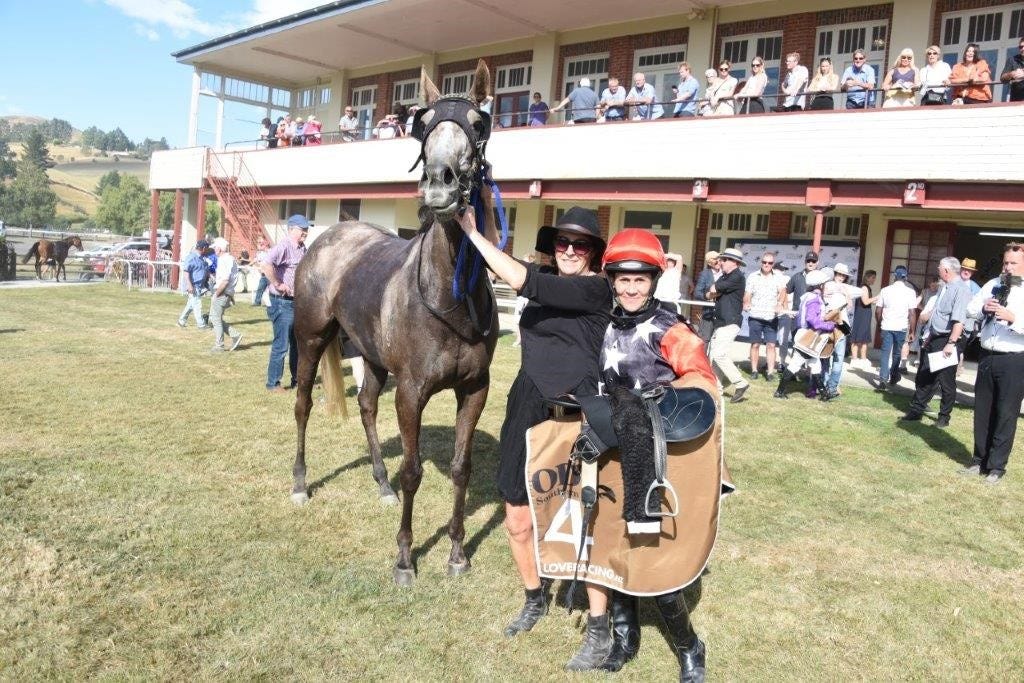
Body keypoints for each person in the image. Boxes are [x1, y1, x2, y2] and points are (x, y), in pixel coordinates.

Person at [572, 228, 724, 677]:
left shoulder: (670, 329)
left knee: (653, 553)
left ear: (654, 281)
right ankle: (626, 639)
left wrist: (648, 401)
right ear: (612, 280)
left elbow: (702, 383)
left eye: (640, 279)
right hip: (610, 449)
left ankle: (689, 646)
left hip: (657, 454)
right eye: (623, 279)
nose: (631, 287)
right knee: (615, 545)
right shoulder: (603, 322)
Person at [455, 206, 610, 639]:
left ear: (594, 253)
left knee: (587, 516)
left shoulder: (597, 289)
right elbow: (518, 274)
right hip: (527, 403)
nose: (570, 250)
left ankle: (597, 615)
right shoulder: (546, 286)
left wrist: (471, 231)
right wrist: (478, 211)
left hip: (578, 412)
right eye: (562, 242)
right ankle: (533, 596)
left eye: (580, 244)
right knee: (517, 515)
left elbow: (522, 277)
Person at [963, 242, 1024, 483]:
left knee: (1006, 413)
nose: (1008, 268)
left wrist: (1013, 319)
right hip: (987, 355)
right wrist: (983, 308)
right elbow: (970, 309)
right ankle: (979, 461)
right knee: (983, 410)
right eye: (1005, 263)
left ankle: (997, 467)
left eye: (1013, 263)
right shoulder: (992, 284)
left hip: (1014, 359)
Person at [901, 257, 971, 428]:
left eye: (940, 267)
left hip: (948, 339)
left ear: (947, 270)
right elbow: (938, 311)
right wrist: (928, 327)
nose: (938, 269)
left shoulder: (960, 289)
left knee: (946, 381)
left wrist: (951, 343)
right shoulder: (944, 287)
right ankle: (916, 410)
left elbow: (959, 320)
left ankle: (944, 417)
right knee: (925, 375)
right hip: (934, 337)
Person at [261, 214, 310, 393]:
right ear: (291, 230)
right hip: (282, 303)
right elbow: (266, 265)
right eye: (302, 229)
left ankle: (298, 380)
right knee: (281, 345)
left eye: (306, 229)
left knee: (297, 345)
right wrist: (278, 284)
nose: (306, 232)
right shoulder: (284, 246)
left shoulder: (303, 248)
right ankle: (273, 383)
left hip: (296, 303)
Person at [773, 269, 837, 399]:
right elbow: (812, 320)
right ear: (820, 285)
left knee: (815, 364)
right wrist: (830, 326)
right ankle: (779, 392)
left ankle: (824, 394)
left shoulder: (809, 296)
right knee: (796, 364)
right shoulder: (814, 299)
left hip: (806, 334)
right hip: (807, 335)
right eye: (825, 284)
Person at [707, 247, 750, 402]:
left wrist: (715, 291)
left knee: (719, 355)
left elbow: (713, 290)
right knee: (713, 357)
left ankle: (740, 383)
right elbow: (708, 293)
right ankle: (716, 390)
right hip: (721, 321)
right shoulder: (725, 276)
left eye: (724, 259)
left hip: (730, 321)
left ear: (734, 262)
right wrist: (714, 292)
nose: (721, 262)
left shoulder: (737, 276)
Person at [874, 266, 919, 390]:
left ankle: (883, 380)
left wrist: (879, 324)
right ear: (906, 277)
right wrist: (912, 331)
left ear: (894, 276)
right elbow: (912, 313)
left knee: (885, 353)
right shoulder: (910, 292)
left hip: (887, 326)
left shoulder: (885, 290)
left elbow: (878, 311)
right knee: (897, 354)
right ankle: (893, 376)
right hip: (901, 327)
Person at [744, 251, 786, 380]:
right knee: (755, 344)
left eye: (769, 263)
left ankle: (770, 372)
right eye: (764, 262)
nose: (766, 264)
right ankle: (754, 370)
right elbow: (747, 293)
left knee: (771, 345)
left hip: (771, 317)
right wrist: (746, 302)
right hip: (755, 316)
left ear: (773, 264)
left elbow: (783, 291)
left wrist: (779, 303)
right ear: (761, 262)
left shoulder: (778, 277)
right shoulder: (753, 276)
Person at [782, 251, 819, 365]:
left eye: (813, 261)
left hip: (814, 318)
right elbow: (785, 290)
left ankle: (809, 374)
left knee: (812, 346)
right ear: (805, 262)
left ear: (817, 263)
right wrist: (786, 308)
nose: (811, 263)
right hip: (798, 317)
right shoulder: (797, 276)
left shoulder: (822, 278)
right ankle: (793, 372)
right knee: (796, 343)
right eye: (808, 261)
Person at [208, 238, 243, 353]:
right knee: (216, 318)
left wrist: (216, 294)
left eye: (215, 248)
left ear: (219, 248)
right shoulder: (230, 259)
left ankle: (219, 345)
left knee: (215, 319)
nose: (214, 250)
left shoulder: (224, 260)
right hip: (226, 292)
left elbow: (225, 280)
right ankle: (235, 335)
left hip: (222, 292)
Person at [177, 240, 211, 329]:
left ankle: (181, 321)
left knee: (191, 305)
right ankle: (201, 324)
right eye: (207, 248)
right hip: (193, 285)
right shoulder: (191, 257)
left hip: (199, 286)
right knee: (197, 304)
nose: (207, 250)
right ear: (203, 248)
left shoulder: (201, 258)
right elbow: (186, 272)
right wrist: (189, 285)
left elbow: (204, 270)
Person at [849, 269, 877, 367]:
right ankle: (855, 358)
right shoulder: (864, 287)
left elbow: (867, 301)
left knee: (864, 336)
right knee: (858, 336)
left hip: (865, 314)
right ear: (868, 277)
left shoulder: (867, 288)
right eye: (873, 278)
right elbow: (865, 301)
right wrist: (877, 297)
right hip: (862, 314)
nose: (874, 280)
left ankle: (863, 358)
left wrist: (874, 301)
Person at [694, 251, 721, 341]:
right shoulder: (705, 274)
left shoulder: (726, 273)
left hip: (723, 314)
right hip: (709, 313)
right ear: (709, 263)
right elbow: (697, 293)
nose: (718, 261)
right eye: (715, 260)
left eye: (719, 259)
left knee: (719, 342)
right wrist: (707, 296)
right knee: (704, 340)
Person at [1000, 37, 1024, 102]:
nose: (1023, 49)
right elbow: (1002, 79)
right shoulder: (1012, 60)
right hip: (1016, 100)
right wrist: (1012, 74)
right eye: (1021, 47)